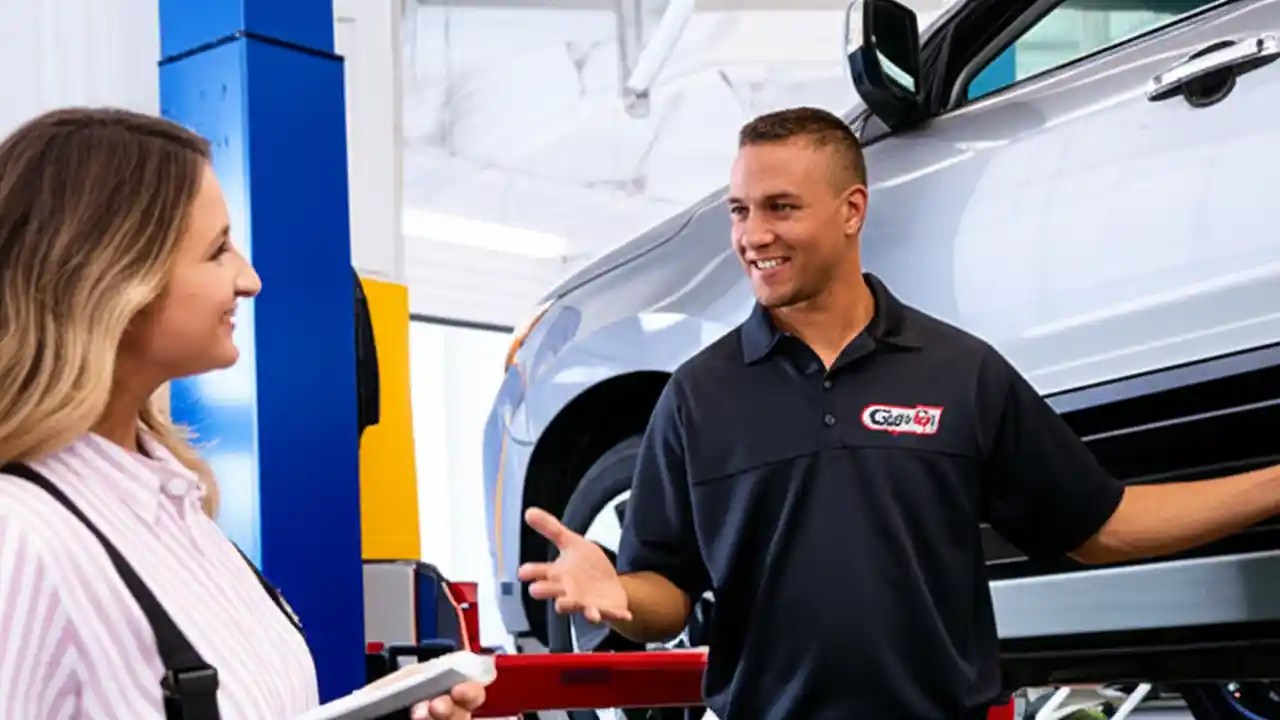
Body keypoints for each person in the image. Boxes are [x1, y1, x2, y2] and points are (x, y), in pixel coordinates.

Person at [517, 106, 1280, 719]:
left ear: (853, 210)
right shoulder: (696, 396)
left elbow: (1101, 525)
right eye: (740, 210)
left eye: (781, 208)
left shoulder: (960, 372)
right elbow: (664, 597)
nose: (753, 236)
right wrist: (617, 596)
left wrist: (1272, 485)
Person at [0, 107, 486, 720]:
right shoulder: (19, 540)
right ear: (112, 277)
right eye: (217, 249)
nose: (250, 279)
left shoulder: (178, 510)